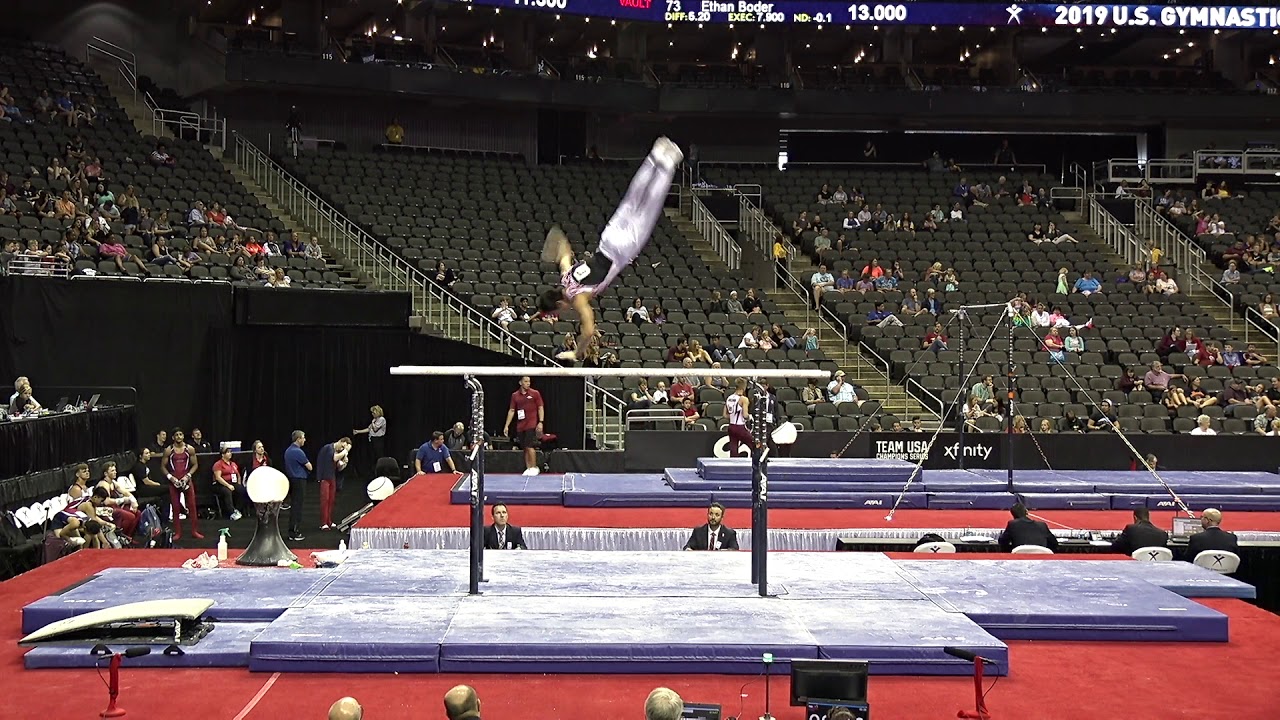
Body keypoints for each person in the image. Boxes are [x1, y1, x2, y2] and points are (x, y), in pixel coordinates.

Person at [537, 137, 684, 359]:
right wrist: (550, 250)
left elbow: (588, 331)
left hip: (622, 250)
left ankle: (668, 164)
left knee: (649, 209)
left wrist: (577, 353)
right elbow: (562, 244)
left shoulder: (578, 299)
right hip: (607, 239)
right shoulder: (565, 275)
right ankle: (654, 158)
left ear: (559, 303)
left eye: (558, 311)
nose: (561, 314)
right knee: (632, 200)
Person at [163, 429, 202, 541]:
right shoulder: (168, 451)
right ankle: (178, 532)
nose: (179, 437)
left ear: (183, 436)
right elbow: (163, 467)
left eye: (181, 434)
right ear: (173, 438)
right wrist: (171, 478)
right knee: (175, 507)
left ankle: (194, 531)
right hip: (174, 481)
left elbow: (195, 465)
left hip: (186, 480)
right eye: (177, 435)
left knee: (192, 506)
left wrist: (188, 476)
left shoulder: (189, 449)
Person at [503, 376, 545, 477]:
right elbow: (512, 410)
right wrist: (506, 426)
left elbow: (540, 407)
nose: (528, 383)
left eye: (529, 381)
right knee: (525, 448)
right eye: (526, 381)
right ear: (520, 382)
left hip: (531, 424)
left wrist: (541, 422)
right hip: (521, 425)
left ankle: (534, 467)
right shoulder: (515, 395)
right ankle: (528, 468)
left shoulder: (535, 393)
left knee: (530, 446)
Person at [284, 430, 313, 542]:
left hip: (291, 479)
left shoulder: (288, 451)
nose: (305, 440)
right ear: (298, 439)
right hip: (299, 480)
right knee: (297, 507)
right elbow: (310, 467)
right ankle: (294, 532)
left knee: (294, 505)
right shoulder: (298, 452)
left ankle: (293, 530)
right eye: (303, 438)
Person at [316, 437, 351, 530]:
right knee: (325, 500)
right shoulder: (329, 448)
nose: (343, 450)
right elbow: (334, 458)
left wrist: (344, 463)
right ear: (341, 442)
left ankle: (329, 521)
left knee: (331, 500)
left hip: (332, 477)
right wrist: (345, 452)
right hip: (324, 478)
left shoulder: (336, 451)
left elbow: (339, 467)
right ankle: (323, 523)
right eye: (343, 447)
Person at [211, 447, 248, 522]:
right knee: (227, 491)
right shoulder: (218, 464)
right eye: (228, 452)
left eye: (230, 452)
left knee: (242, 490)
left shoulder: (233, 464)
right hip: (220, 484)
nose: (230, 453)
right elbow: (218, 477)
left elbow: (238, 475)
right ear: (223, 455)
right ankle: (231, 513)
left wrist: (238, 484)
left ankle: (237, 510)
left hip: (232, 482)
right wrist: (228, 485)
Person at [352, 404, 387, 474]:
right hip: (373, 440)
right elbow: (369, 429)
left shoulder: (381, 419)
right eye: (372, 413)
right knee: (373, 457)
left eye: (374, 413)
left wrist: (372, 423)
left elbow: (375, 429)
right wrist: (358, 431)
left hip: (378, 440)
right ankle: (374, 472)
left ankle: (381, 472)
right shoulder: (374, 420)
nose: (372, 414)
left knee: (379, 457)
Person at [724, 378, 752, 458]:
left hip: (731, 426)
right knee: (754, 444)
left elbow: (725, 415)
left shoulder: (729, 398)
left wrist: (733, 416)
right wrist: (750, 417)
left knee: (734, 448)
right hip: (740, 427)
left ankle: (733, 465)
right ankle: (758, 462)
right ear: (744, 387)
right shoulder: (743, 399)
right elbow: (745, 415)